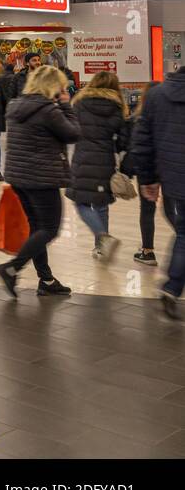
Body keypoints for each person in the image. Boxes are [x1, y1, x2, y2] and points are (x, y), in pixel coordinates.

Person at [0, 66, 80, 298]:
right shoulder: (48, 110)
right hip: (42, 178)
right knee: (49, 229)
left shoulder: (15, 106)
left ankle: (46, 279)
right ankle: (11, 268)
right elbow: (73, 134)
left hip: (19, 177)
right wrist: (65, 104)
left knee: (37, 228)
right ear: (54, 86)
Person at [130, 65, 185, 317]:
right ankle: (172, 286)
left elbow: (142, 141)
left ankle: (172, 288)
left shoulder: (156, 95)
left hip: (174, 178)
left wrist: (148, 178)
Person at [66, 70, 129, 261]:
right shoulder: (117, 107)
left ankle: (102, 237)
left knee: (81, 201)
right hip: (105, 160)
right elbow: (124, 139)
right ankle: (101, 248)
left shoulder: (79, 103)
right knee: (101, 204)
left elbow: (71, 130)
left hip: (82, 157)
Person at [121, 83, 173, 266]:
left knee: (147, 210)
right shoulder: (169, 117)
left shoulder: (138, 118)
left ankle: (148, 251)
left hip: (147, 171)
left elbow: (135, 147)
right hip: (168, 167)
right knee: (171, 208)